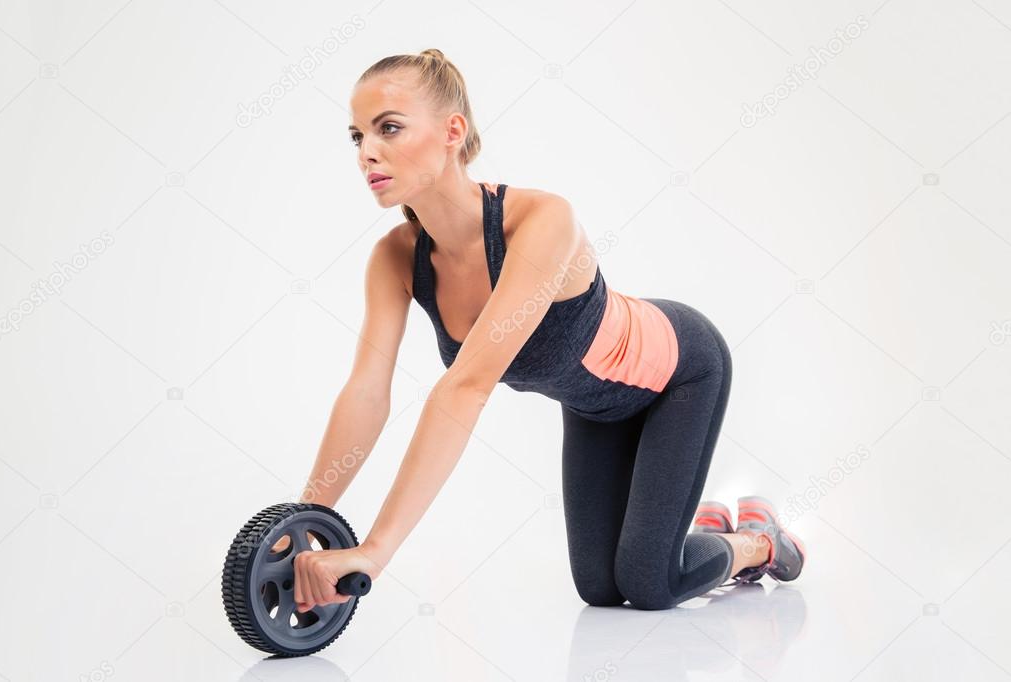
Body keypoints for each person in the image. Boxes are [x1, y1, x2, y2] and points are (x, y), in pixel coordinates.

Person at [287, 48, 806, 613]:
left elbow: (466, 387)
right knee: (602, 590)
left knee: (651, 583)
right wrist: (298, 527)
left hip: (681, 372)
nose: (368, 153)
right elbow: (366, 392)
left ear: (452, 131)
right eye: (357, 136)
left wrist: (375, 551)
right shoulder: (395, 258)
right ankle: (695, 521)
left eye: (388, 128)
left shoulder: (540, 219)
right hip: (596, 405)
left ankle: (758, 541)